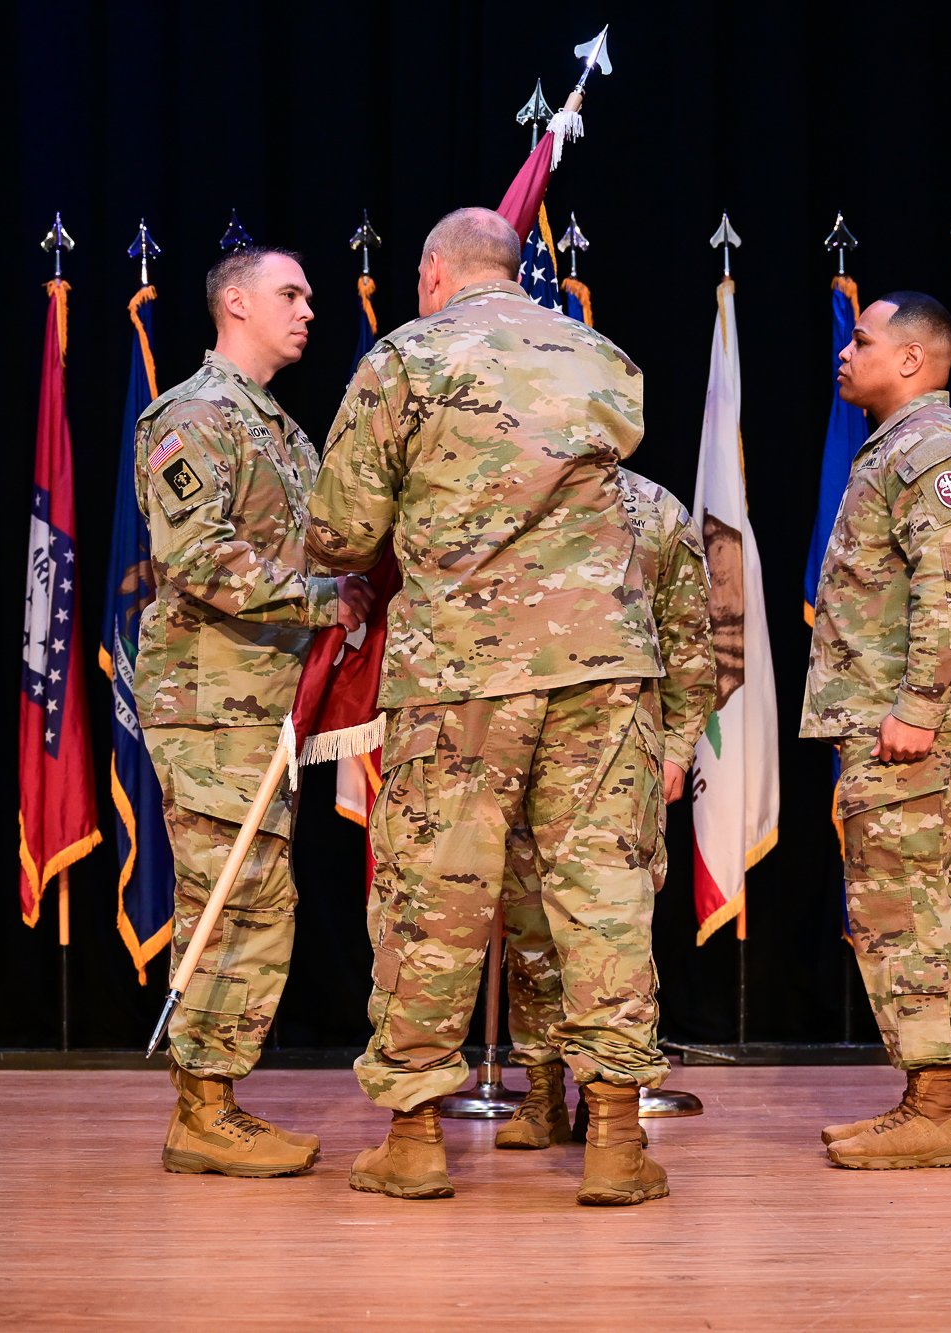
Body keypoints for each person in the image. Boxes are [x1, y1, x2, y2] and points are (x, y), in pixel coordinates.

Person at [307, 206, 671, 1206]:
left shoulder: (403, 359)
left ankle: (415, 1136)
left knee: (436, 900)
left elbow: (342, 530)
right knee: (602, 893)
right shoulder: (601, 356)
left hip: (461, 675)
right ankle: (614, 1143)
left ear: (433, 276)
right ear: (513, 270)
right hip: (600, 665)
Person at [133, 246, 372, 1177]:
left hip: (258, 700)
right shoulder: (194, 415)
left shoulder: (277, 426)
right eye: (291, 293)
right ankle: (201, 1106)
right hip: (208, 699)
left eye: (310, 295)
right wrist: (328, 599)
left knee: (253, 896)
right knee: (233, 900)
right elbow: (198, 559)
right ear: (234, 303)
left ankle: (212, 1096)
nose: (309, 309)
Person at [801, 292, 951, 1170]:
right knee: (893, 910)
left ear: (914, 360)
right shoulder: (895, 447)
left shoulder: (931, 449)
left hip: (914, 724)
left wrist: (918, 709)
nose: (846, 354)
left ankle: (938, 1110)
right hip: (888, 720)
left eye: (863, 340)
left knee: (911, 912)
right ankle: (922, 1100)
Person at [494, 467, 714, 1150]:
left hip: (618, 751)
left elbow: (689, 644)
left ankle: (608, 1098)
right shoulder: (510, 495)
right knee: (530, 927)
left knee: (610, 927)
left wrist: (676, 749)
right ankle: (540, 1092)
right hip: (516, 743)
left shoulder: (656, 509)